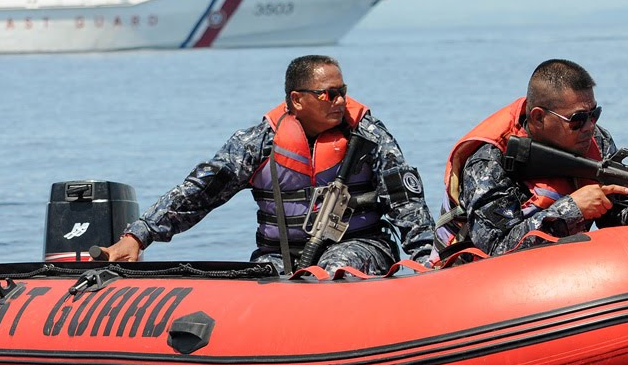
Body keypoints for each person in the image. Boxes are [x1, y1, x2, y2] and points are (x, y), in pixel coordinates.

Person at [95, 54, 435, 275]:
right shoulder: (256, 144)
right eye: (328, 94)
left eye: (342, 91)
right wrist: (137, 237)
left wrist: (426, 260)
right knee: (261, 279)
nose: (341, 101)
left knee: (335, 269)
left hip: (362, 246)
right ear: (297, 100)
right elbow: (198, 193)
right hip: (280, 255)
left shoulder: (369, 135)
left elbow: (407, 205)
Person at [435, 58, 628, 258]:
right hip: (474, 282)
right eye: (577, 119)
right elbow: (495, 250)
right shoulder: (488, 161)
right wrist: (572, 209)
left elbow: (612, 216)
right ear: (538, 118)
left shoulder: (597, 141)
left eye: (594, 114)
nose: (589, 126)